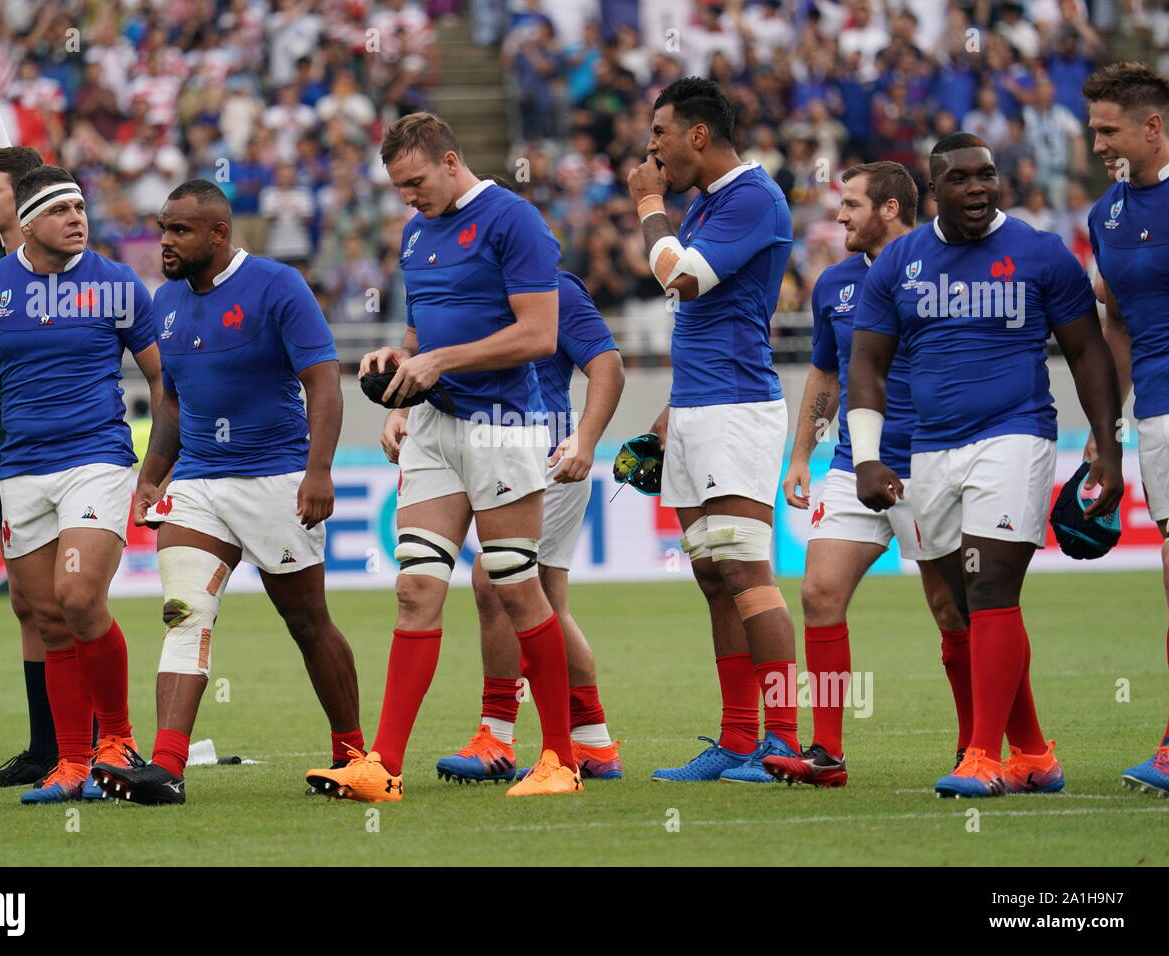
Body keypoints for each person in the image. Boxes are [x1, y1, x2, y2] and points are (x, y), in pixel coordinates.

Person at [305, 112, 579, 800]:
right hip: (434, 423)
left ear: (451, 161)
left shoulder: (514, 221)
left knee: (516, 587)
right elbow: (422, 330)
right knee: (415, 587)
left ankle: (561, 761)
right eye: (398, 187)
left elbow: (540, 334)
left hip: (502, 425)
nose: (407, 197)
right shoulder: (416, 230)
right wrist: (401, 374)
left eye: (416, 182)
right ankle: (383, 766)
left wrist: (439, 360)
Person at [849, 133, 1124, 797]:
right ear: (932, 189)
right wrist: (865, 457)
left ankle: (981, 756)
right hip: (930, 451)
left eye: (987, 176)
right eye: (961, 179)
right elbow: (867, 363)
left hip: (1016, 435)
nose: (977, 188)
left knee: (993, 587)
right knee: (962, 610)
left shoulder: (1039, 251)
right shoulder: (899, 264)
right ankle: (1031, 752)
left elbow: (1087, 351)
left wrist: (1108, 446)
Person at [91, 179, 364, 805]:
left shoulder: (278, 285)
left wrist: (318, 472)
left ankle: (352, 754)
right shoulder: (164, 302)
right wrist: (153, 473)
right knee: (184, 614)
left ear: (218, 234)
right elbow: (174, 399)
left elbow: (323, 384)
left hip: (276, 478)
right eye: (163, 227)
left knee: (307, 621)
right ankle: (166, 768)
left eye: (179, 230)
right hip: (199, 482)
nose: (165, 241)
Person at [0, 165, 163, 804]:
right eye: (62, 210)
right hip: (21, 470)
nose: (78, 218)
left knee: (79, 597)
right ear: (27, 223)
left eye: (81, 207)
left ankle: (117, 739)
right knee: (51, 621)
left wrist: (161, 463)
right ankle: (73, 764)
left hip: (97, 459)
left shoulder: (116, 282)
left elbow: (163, 377)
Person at [767, 162, 967, 787]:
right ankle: (826, 753)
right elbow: (826, 376)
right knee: (819, 594)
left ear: (888, 209)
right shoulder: (833, 284)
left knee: (952, 610)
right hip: (855, 464)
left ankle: (976, 745)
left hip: (928, 463)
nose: (840, 216)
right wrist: (802, 455)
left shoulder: (942, 269)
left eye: (851, 204)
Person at [627, 76, 801, 783]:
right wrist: (675, 404)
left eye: (659, 134)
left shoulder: (754, 198)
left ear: (698, 133)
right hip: (699, 407)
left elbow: (684, 283)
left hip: (737, 410)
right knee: (710, 575)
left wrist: (646, 206)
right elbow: (703, 320)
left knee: (746, 573)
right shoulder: (705, 205)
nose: (652, 149)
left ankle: (786, 742)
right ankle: (736, 742)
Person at [417, 268, 625, 783]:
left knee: (495, 580)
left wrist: (586, 440)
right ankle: (593, 743)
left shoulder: (554, 285)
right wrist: (405, 412)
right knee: (547, 603)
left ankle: (498, 738)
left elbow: (608, 366)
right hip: (493, 448)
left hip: (546, 454)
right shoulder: (459, 285)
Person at [1083, 61, 1169, 795]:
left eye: (1108, 130)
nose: (1096, 143)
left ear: (1152, 126)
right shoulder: (1105, 215)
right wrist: (1104, 424)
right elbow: (1116, 324)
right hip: (1156, 416)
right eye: (1091, 130)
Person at [0, 145, 61, 789]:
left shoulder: (60, 268)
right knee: (27, 601)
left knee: (64, 603)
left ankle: (89, 742)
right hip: (8, 445)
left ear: (23, 199)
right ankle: (45, 744)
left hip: (58, 449)